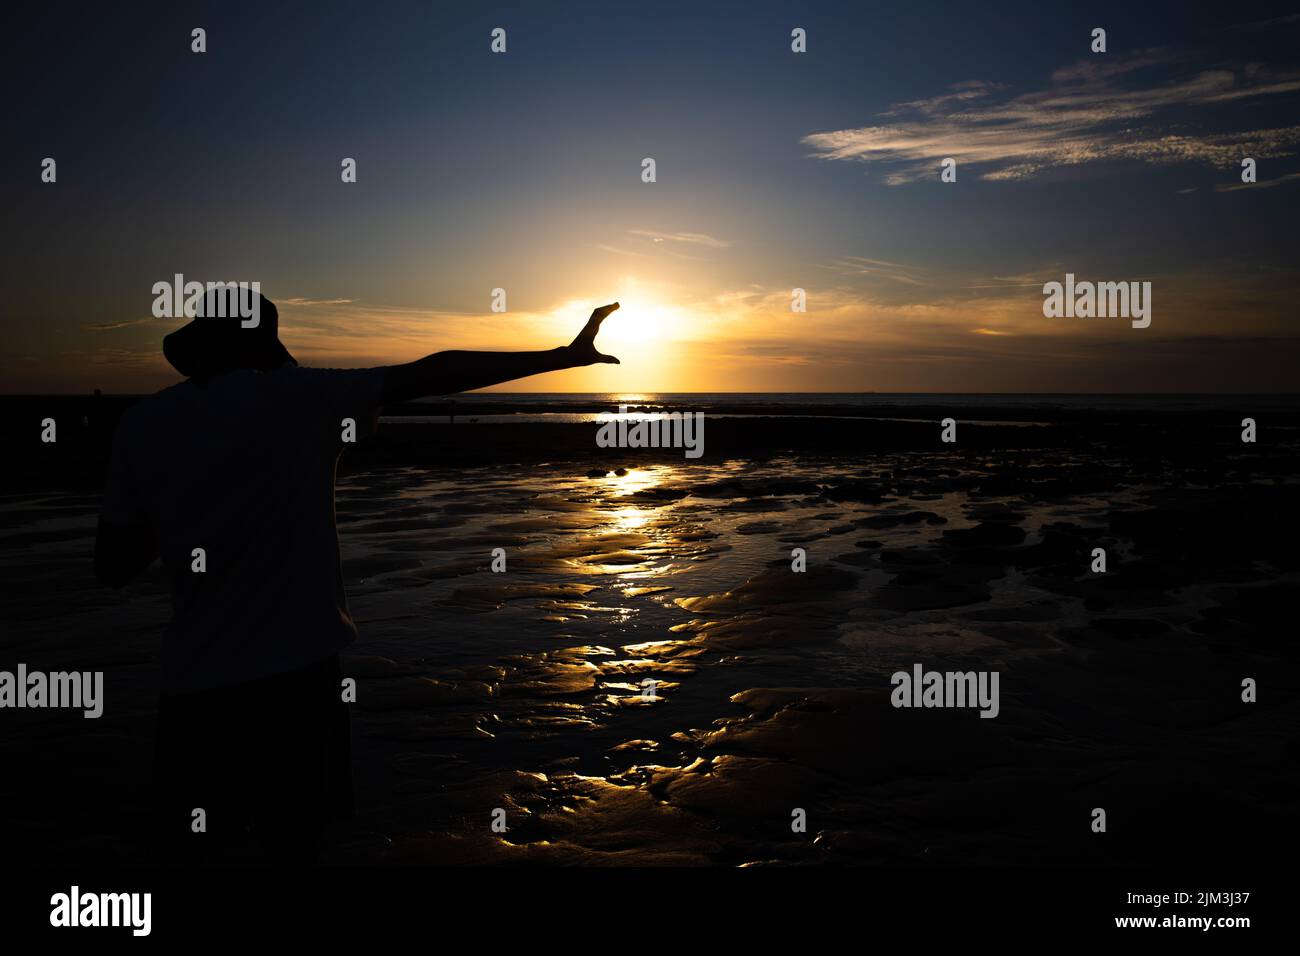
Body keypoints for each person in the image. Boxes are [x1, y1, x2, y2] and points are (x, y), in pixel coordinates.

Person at [94, 288, 620, 863]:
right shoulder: (301, 398)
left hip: (194, 682)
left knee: (198, 843)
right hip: (297, 674)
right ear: (264, 342)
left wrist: (186, 509)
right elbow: (433, 373)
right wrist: (560, 356)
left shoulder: (142, 422)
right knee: (297, 840)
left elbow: (114, 565)